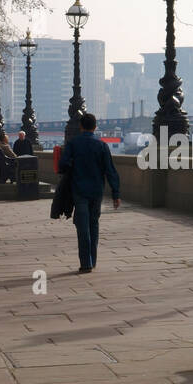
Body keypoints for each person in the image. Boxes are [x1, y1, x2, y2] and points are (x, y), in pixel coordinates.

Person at [59, 113, 120, 274]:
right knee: (94, 224)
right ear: (95, 127)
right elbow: (110, 170)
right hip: (96, 191)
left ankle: (85, 262)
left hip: (79, 190)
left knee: (82, 226)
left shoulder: (73, 144)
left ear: (81, 126)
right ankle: (93, 260)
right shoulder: (102, 145)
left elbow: (63, 165)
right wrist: (116, 193)